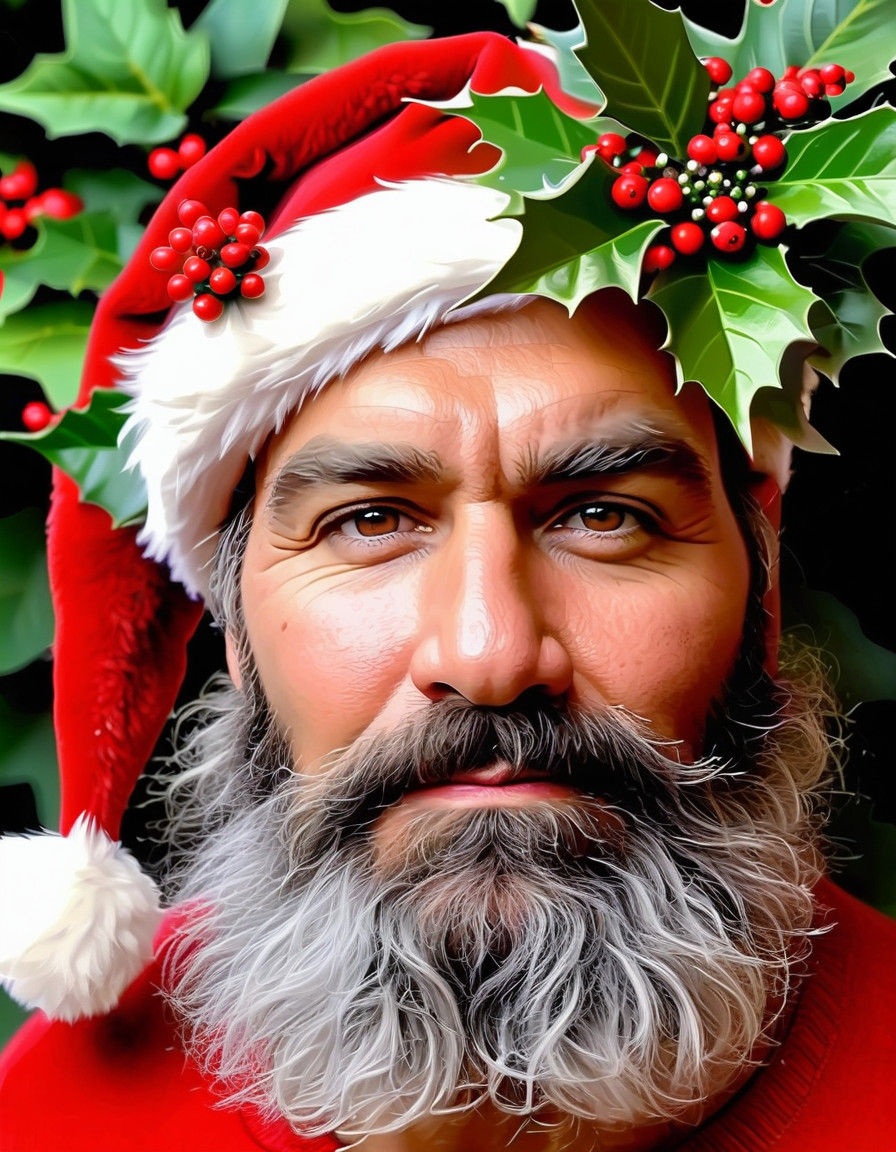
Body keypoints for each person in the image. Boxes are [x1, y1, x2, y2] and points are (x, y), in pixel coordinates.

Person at [1, 24, 894, 1152]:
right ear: (233, 630)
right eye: (368, 521)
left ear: (753, 593)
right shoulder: (56, 1117)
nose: (486, 652)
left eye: (604, 517)